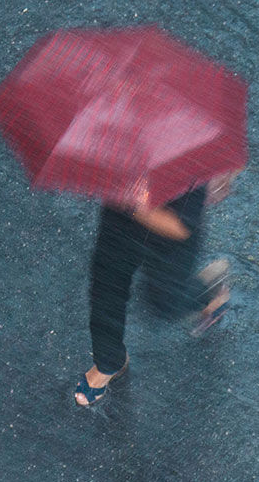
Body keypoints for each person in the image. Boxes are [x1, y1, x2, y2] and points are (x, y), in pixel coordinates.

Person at [73, 172, 236, 407]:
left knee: (165, 302)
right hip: (120, 215)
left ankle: (205, 292)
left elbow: (181, 227)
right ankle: (109, 360)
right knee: (106, 289)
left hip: (167, 236)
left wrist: (132, 204)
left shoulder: (187, 162)